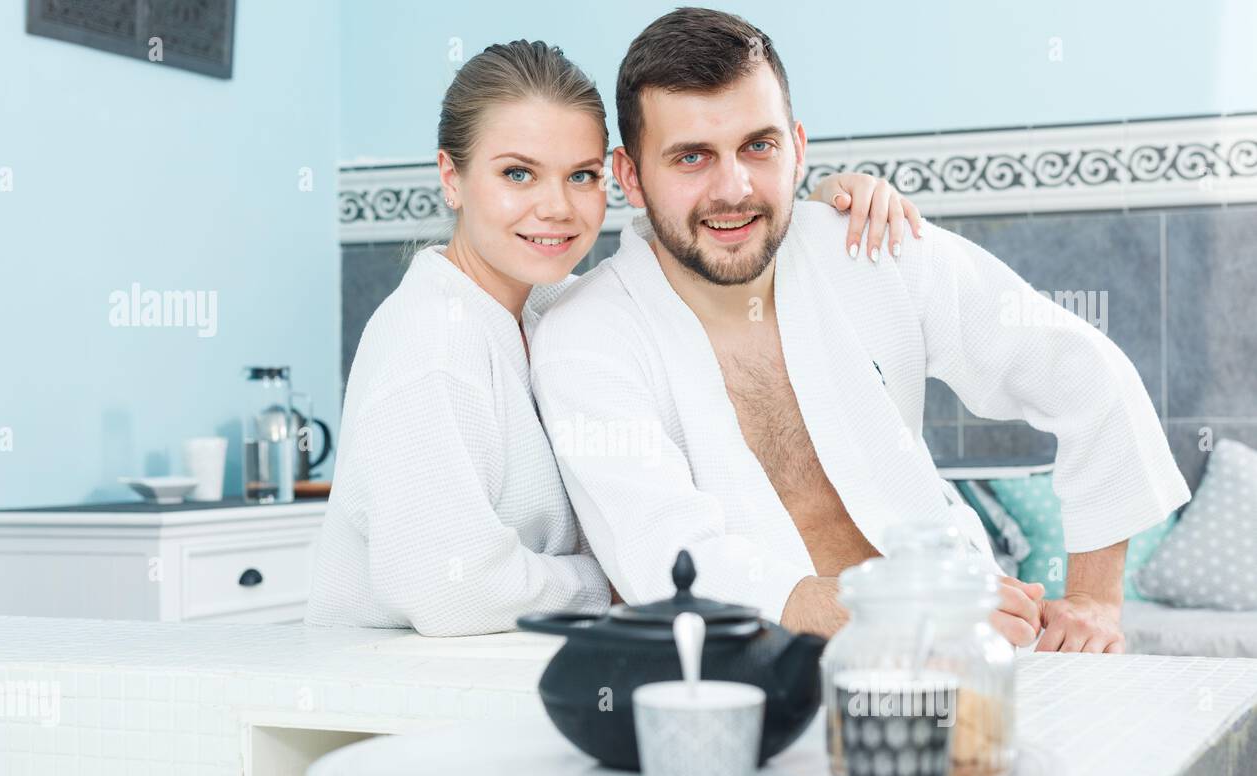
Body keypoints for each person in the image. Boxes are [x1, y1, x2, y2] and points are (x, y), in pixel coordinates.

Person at [529, 8, 1191, 652]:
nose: (733, 188)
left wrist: (1095, 602)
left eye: (758, 146)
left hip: (973, 653)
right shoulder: (586, 339)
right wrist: (908, 608)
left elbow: (1082, 371)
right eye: (692, 158)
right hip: (761, 685)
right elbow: (667, 556)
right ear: (630, 177)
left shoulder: (871, 247)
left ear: (798, 150)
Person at [305, 38, 919, 635]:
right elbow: (450, 589)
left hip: (511, 680)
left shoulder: (553, 306)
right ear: (452, 177)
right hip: (389, 696)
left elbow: (680, 245)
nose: (556, 207)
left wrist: (804, 212)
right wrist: (614, 580)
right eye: (518, 174)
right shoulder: (428, 345)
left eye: (581, 176)